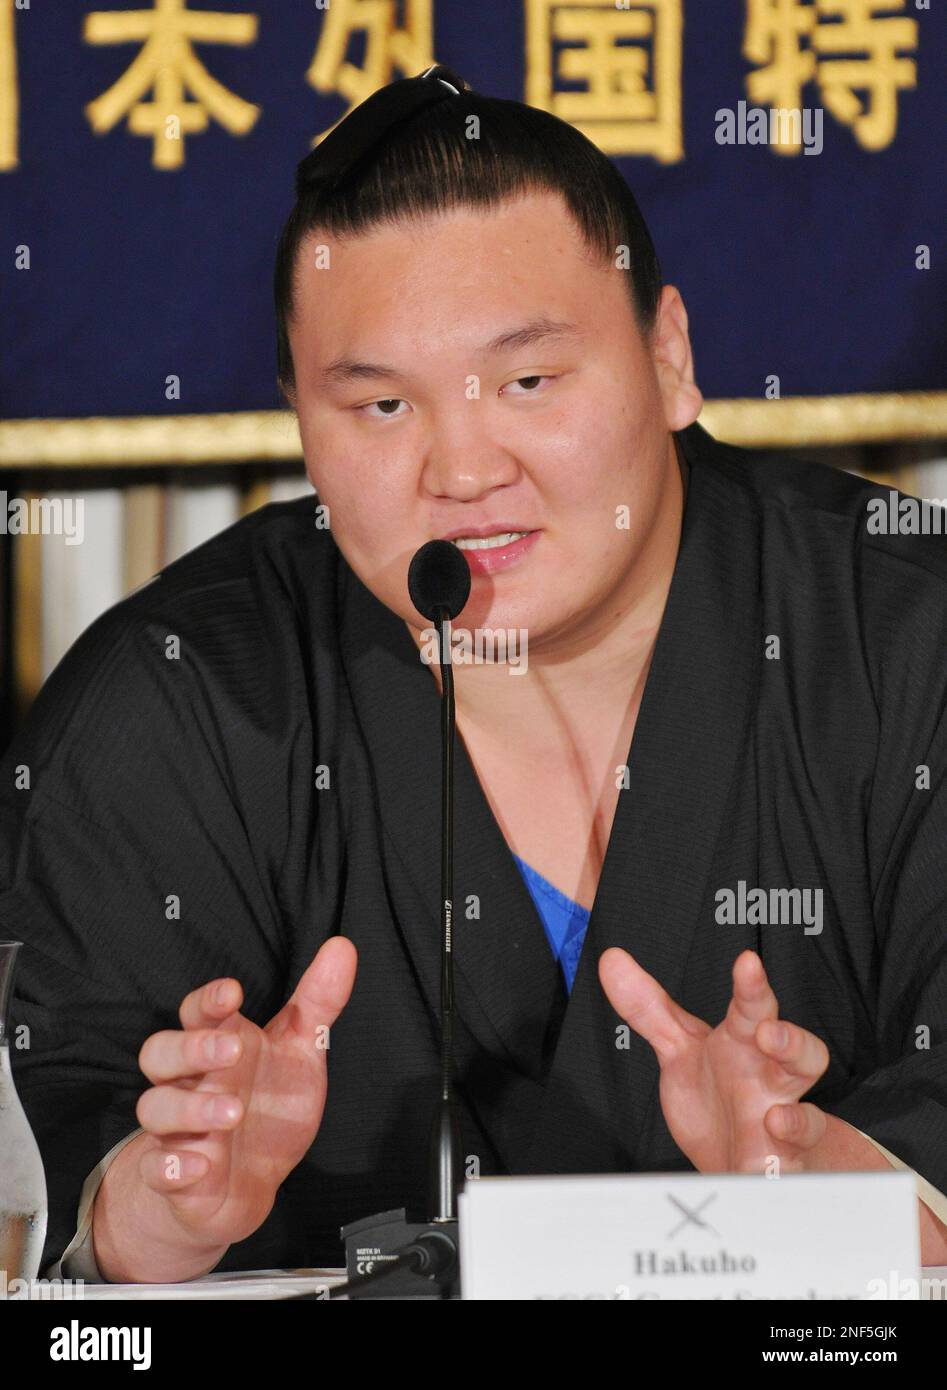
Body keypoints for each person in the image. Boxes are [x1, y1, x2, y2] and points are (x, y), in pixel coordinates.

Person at [4, 67, 947, 1284]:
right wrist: (153, 1211)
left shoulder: (904, 638)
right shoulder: (180, 697)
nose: (459, 468)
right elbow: (57, 1159)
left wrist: (850, 1195)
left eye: (527, 382)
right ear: (300, 421)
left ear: (667, 357)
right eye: (382, 403)